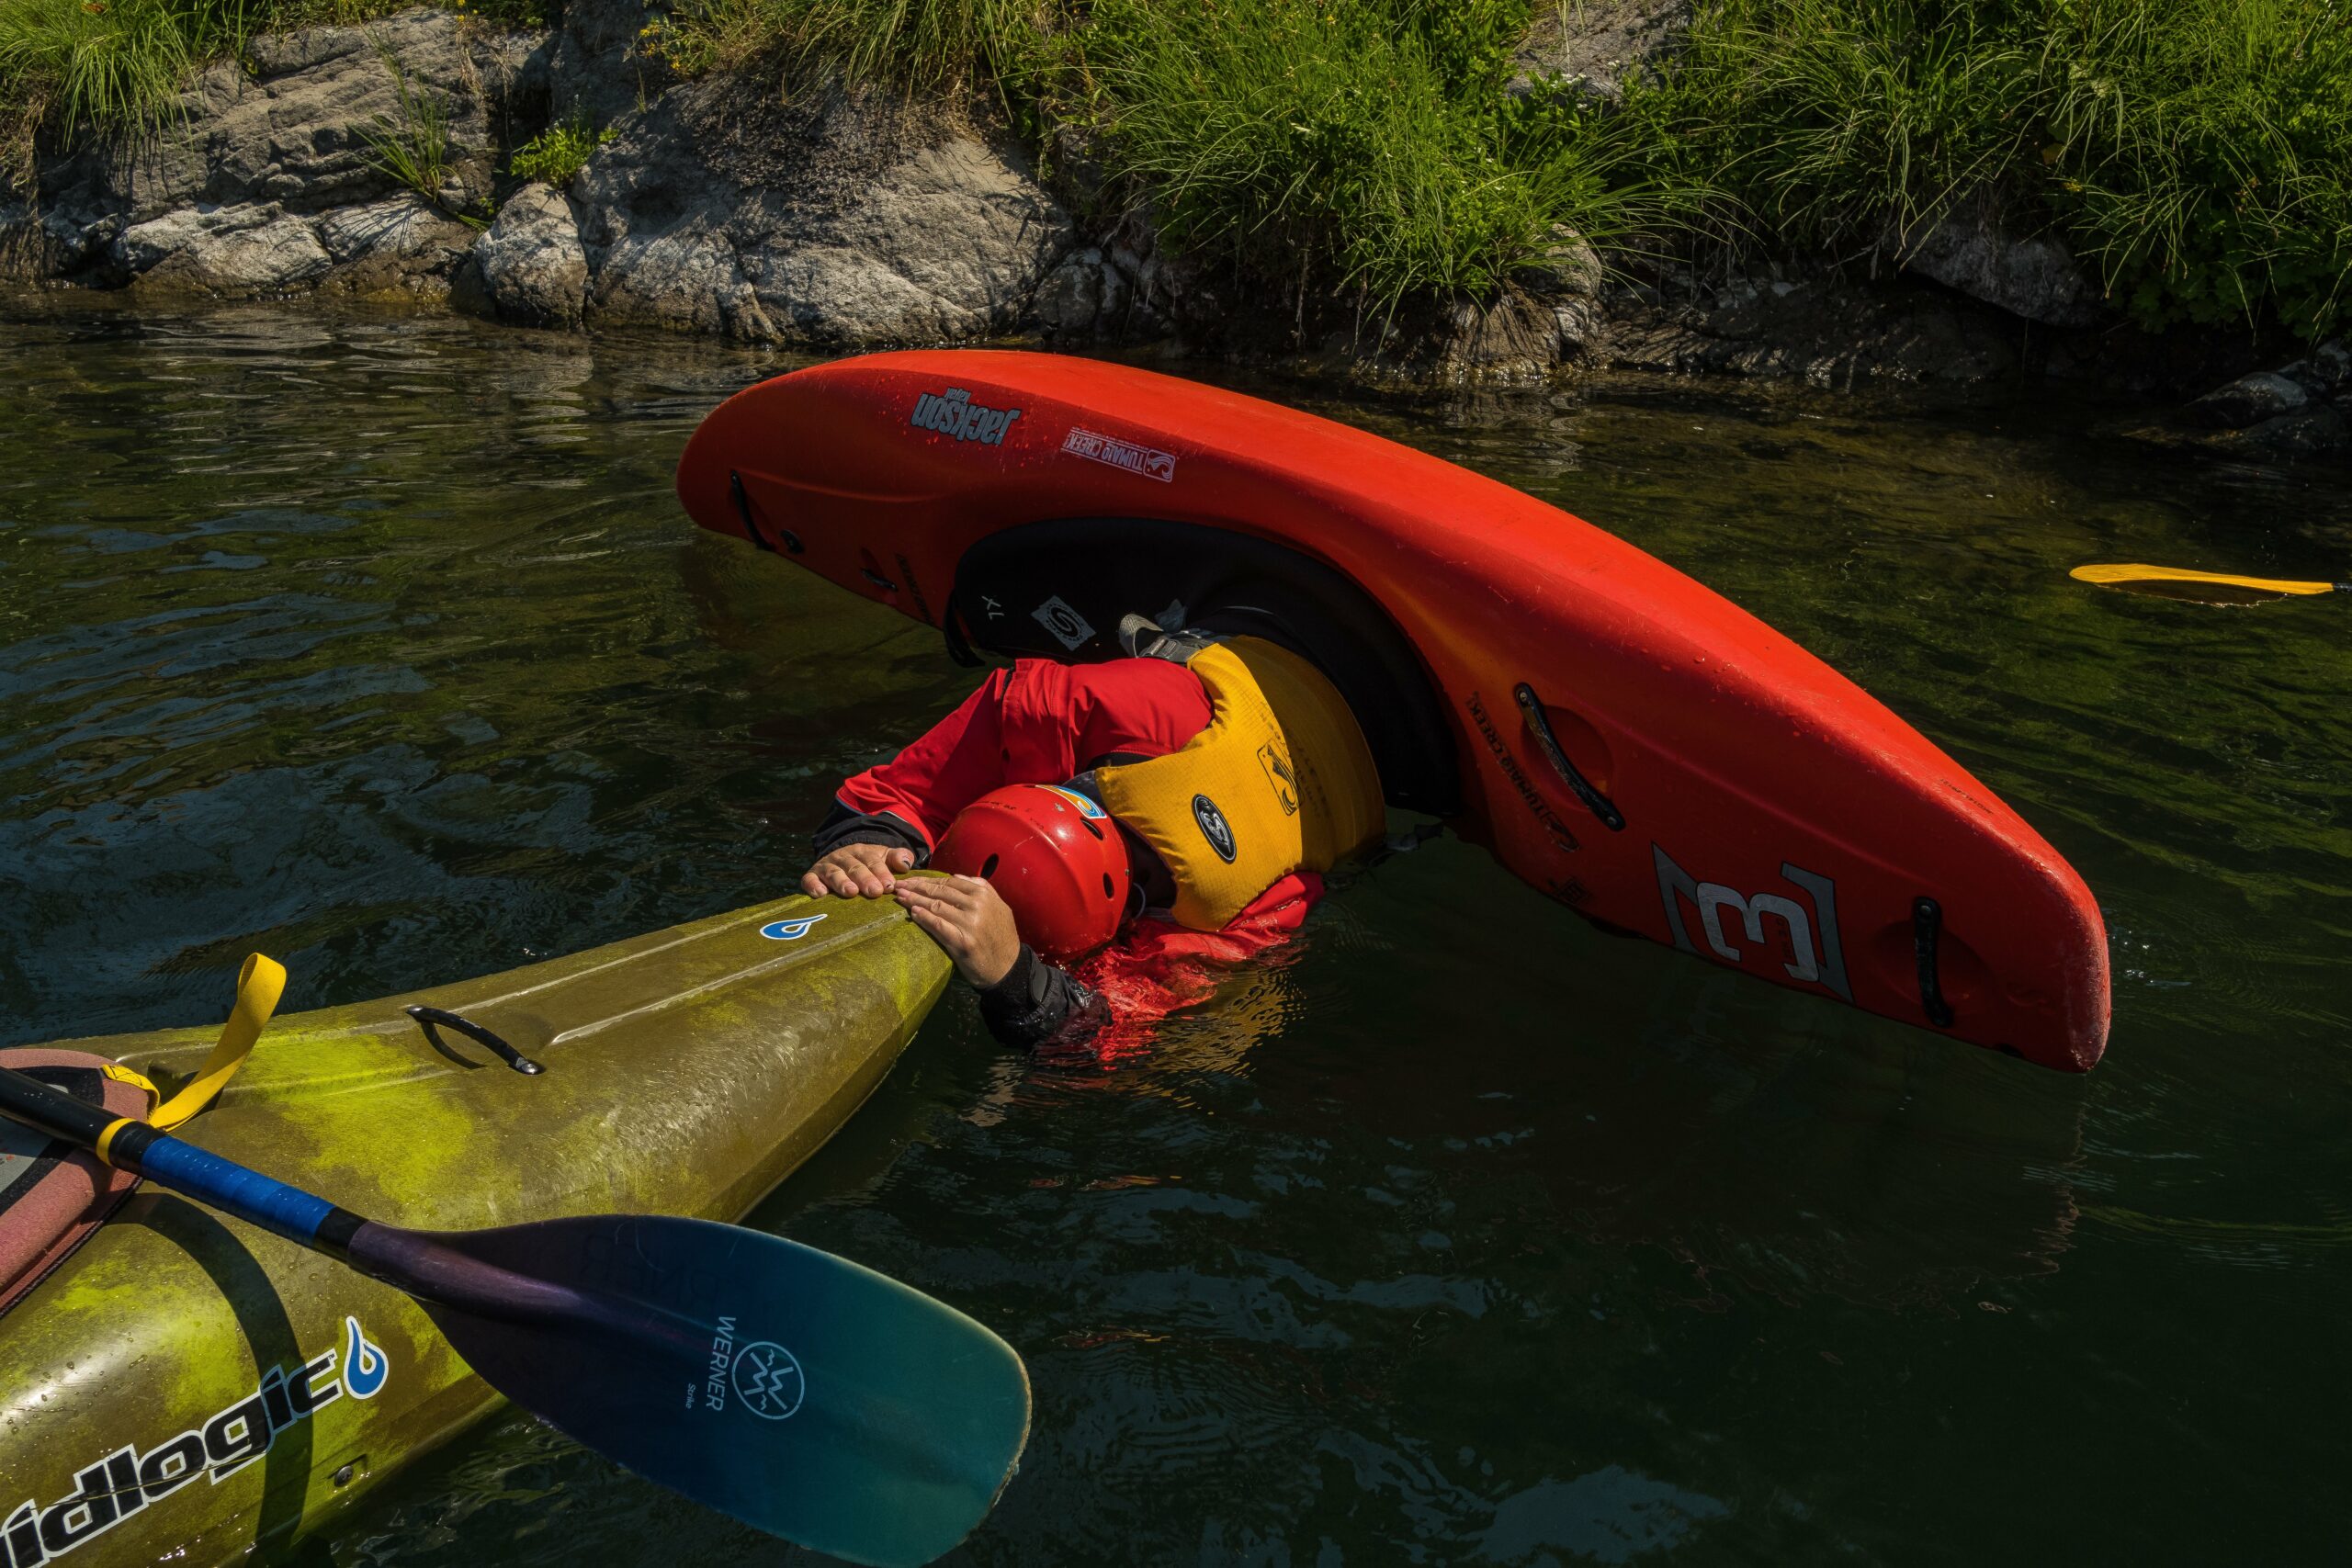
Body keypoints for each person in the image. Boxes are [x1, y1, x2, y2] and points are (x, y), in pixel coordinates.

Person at [801, 621, 1385, 1055]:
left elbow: (1118, 1033)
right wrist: (866, 839)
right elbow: (895, 791)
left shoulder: (1235, 911)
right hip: (1236, 682)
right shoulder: (1052, 710)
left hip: (1371, 764)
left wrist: (1012, 978)